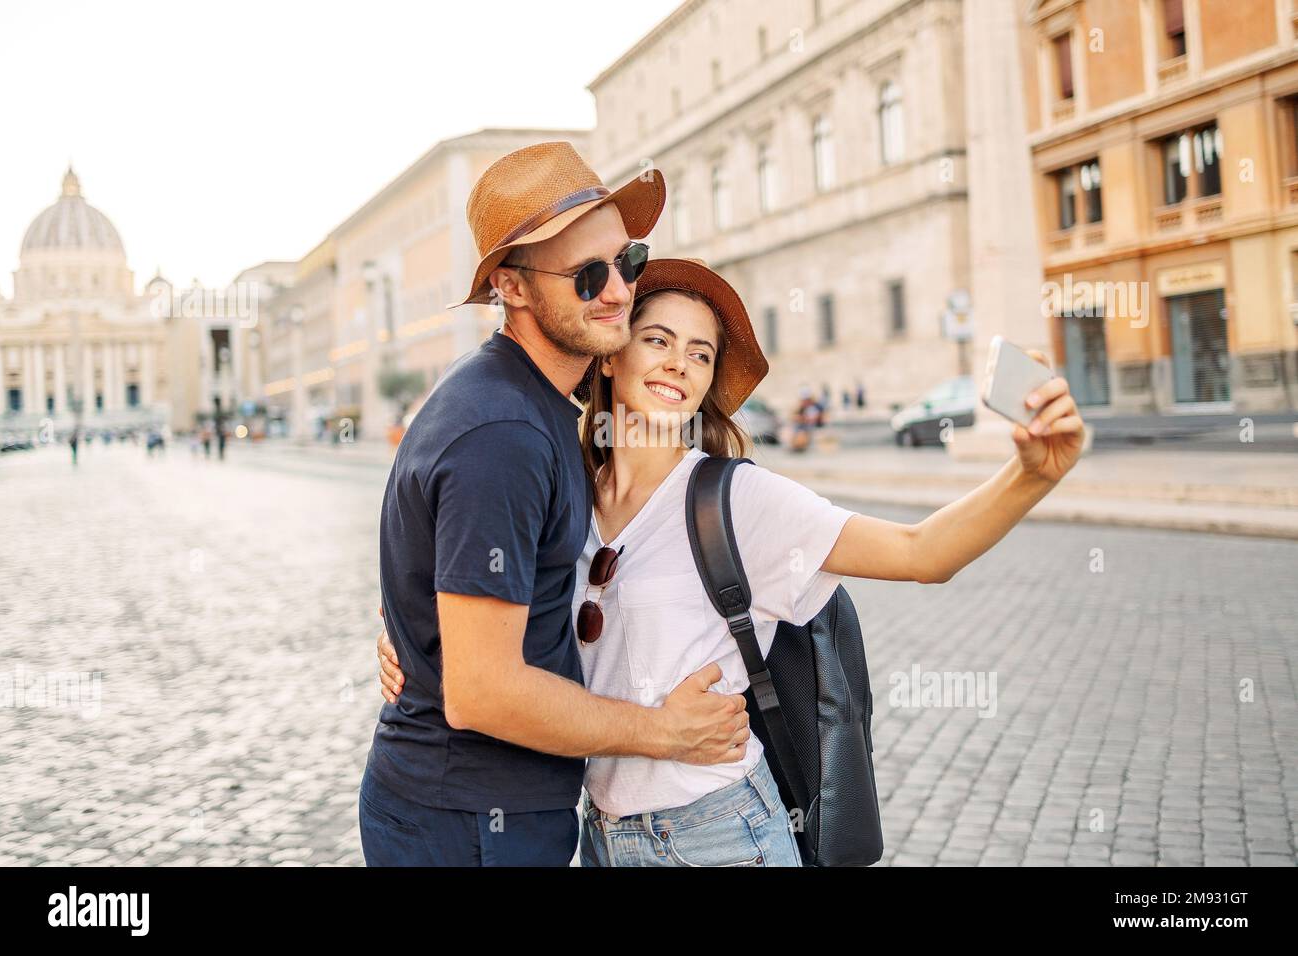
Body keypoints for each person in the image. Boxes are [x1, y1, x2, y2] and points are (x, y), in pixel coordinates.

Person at [379, 257, 1087, 866]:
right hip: (598, 836)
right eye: (656, 339)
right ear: (611, 353)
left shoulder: (737, 499)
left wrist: (1033, 476)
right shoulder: (558, 480)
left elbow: (922, 552)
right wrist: (398, 633)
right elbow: (468, 573)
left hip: (719, 833)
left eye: (700, 353)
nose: (679, 364)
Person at [358, 143, 749, 868]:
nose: (618, 292)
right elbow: (482, 694)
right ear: (512, 288)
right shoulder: (503, 433)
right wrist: (667, 733)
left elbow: (443, 567)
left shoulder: (523, 405)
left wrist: (411, 632)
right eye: (585, 275)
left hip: (476, 813)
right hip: (470, 824)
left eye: (627, 262)